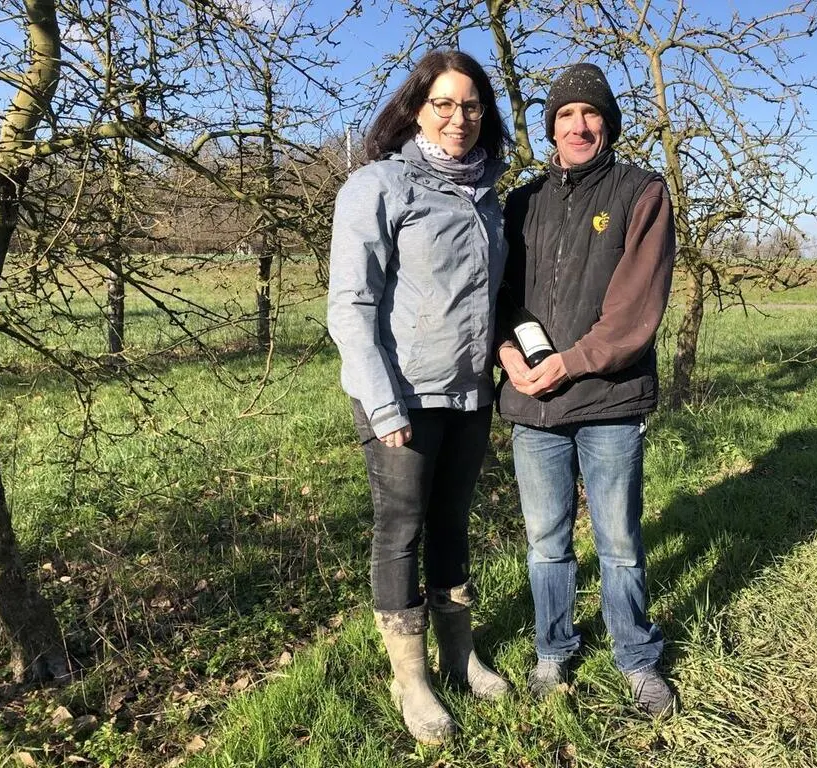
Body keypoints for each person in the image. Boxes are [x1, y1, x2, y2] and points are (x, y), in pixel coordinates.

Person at [327, 50, 512, 744]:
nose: (458, 118)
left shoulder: (487, 194)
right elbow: (350, 305)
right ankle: (412, 679)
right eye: (443, 103)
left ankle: (460, 655)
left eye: (470, 105)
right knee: (399, 532)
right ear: (417, 108)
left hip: (470, 397)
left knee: (454, 524)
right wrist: (381, 404)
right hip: (400, 397)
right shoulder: (379, 186)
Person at [496, 63, 676, 716]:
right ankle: (554, 652)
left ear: (609, 124)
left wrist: (571, 363)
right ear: (551, 127)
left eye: (591, 114)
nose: (579, 124)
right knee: (547, 541)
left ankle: (636, 659)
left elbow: (634, 309)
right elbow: (500, 296)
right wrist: (507, 354)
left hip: (609, 400)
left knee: (619, 541)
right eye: (566, 114)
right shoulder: (521, 203)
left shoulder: (642, 193)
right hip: (533, 406)